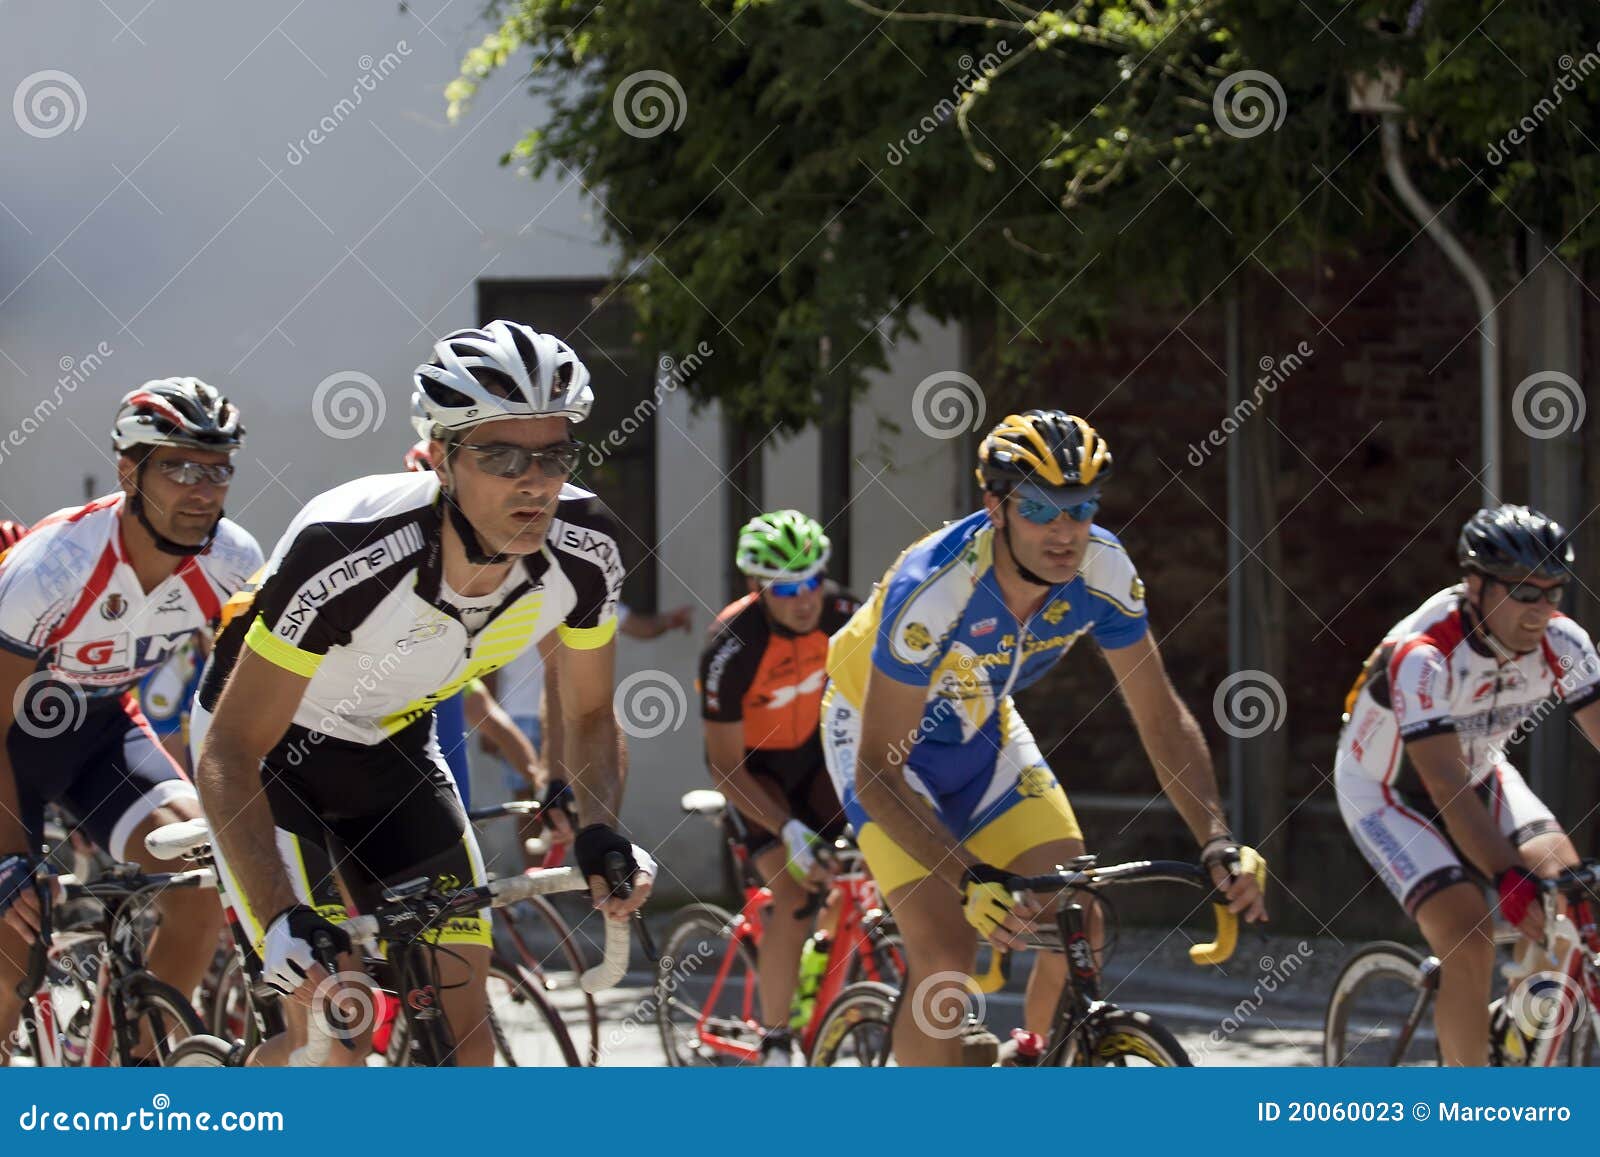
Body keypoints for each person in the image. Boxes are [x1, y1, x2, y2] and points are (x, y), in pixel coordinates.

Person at [193, 321, 653, 1067]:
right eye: (500, 454)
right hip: (269, 753)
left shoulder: (588, 549)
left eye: (554, 453)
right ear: (441, 457)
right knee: (332, 1029)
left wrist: (600, 826)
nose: (534, 479)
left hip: (392, 746)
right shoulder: (348, 548)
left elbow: (592, 711)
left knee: (466, 1040)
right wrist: (282, 914)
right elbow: (231, 748)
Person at [821, 409, 1266, 1065]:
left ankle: (1035, 1065)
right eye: (1040, 509)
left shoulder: (1103, 571)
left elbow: (1159, 713)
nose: (1065, 532)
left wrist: (1216, 836)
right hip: (881, 745)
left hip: (982, 727)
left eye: (1082, 507)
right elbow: (877, 777)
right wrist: (968, 877)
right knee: (946, 956)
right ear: (995, 507)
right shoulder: (935, 591)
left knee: (1077, 914)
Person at [0, 380, 262, 1055]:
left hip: (99, 734)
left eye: (217, 468)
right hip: (8, 737)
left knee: (201, 876)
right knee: (13, 937)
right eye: (177, 466)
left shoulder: (234, 562)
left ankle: (128, 1083)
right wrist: (8, 856)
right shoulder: (55, 563)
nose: (200, 488)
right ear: (129, 468)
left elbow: (252, 703)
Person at [1335, 504, 1600, 1066]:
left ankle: (1517, 1040)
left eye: (1553, 592)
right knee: (1469, 935)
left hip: (1482, 772)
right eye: (1523, 594)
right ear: (1475, 585)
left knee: (1579, 904)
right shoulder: (1423, 655)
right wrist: (1505, 873)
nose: (1540, 612)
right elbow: (1442, 781)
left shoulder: (1564, 643)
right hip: (1390, 793)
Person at [699, 509, 860, 1065]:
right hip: (756, 775)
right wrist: (786, 827)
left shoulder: (846, 614)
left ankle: (838, 987)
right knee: (793, 898)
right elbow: (723, 765)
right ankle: (774, 1041)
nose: (804, 598)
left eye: (814, 579)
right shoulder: (731, 646)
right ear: (756, 586)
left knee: (861, 878)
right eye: (787, 587)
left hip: (819, 762)